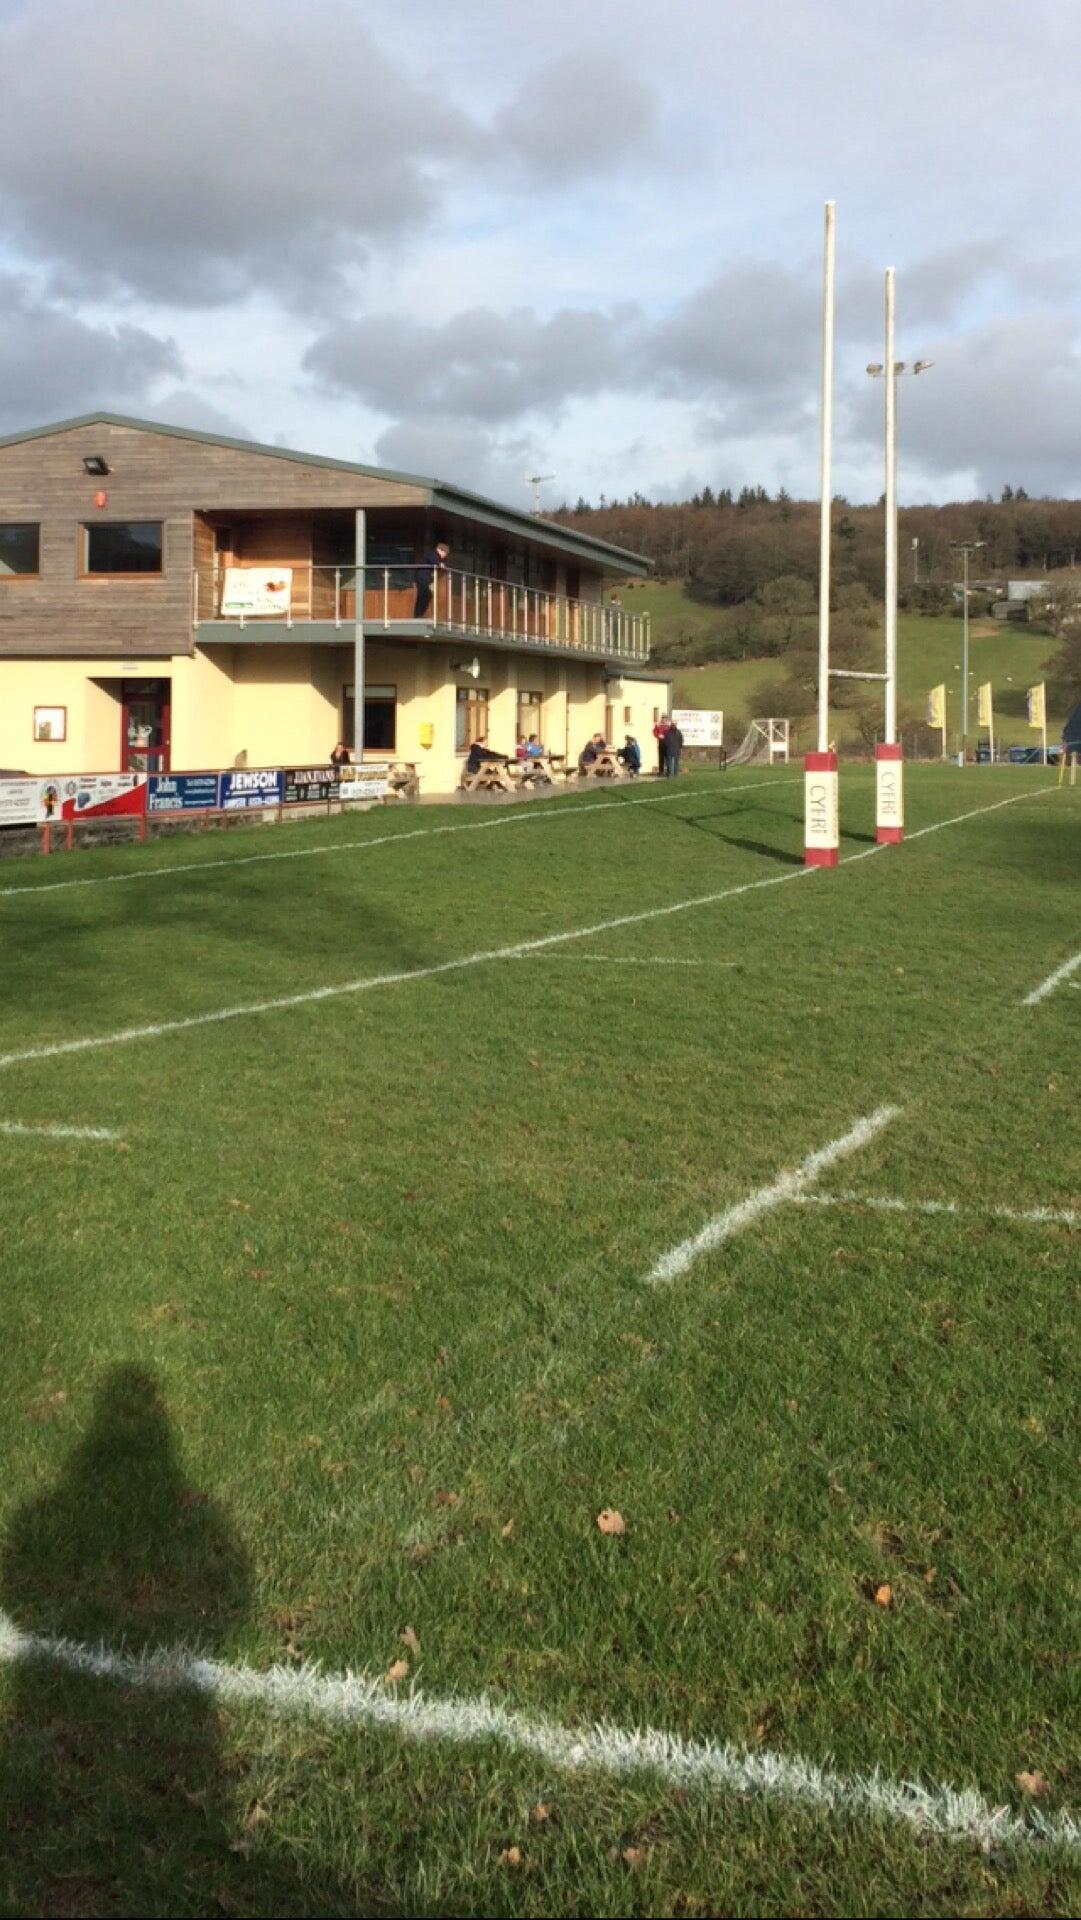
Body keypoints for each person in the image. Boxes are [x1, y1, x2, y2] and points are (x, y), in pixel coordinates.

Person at [413, 541, 450, 618]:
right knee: (423, 595)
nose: (445, 556)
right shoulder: (433, 553)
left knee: (426, 595)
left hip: (424, 578)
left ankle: (419, 614)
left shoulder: (434, 555)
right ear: (440, 550)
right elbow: (434, 561)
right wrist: (440, 564)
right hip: (422, 577)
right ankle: (418, 615)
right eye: (445, 553)